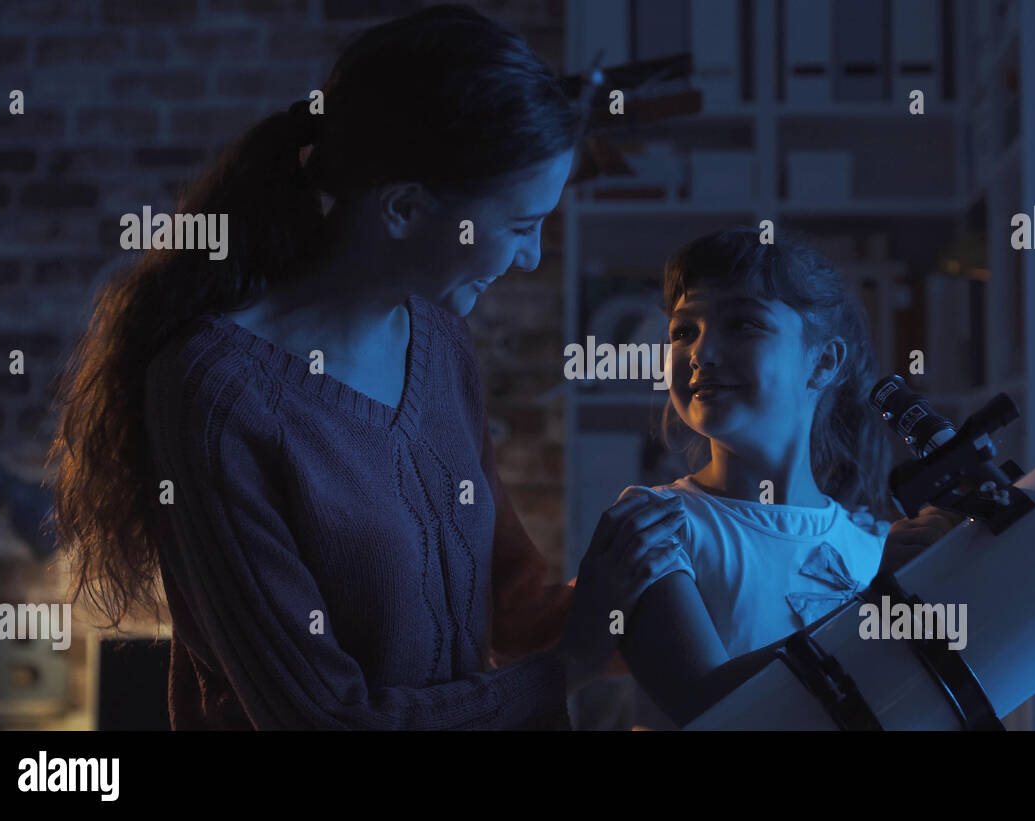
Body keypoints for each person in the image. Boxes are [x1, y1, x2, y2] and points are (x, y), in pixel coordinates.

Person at [47, 5, 686, 730]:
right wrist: (570, 662)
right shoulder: (216, 394)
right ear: (407, 208)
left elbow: (510, 600)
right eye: (519, 227)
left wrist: (662, 580)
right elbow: (324, 718)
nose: (532, 257)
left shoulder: (439, 339)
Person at [616, 227, 963, 726]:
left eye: (742, 325)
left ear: (823, 362)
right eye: (683, 330)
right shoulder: (656, 526)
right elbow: (710, 708)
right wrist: (878, 602)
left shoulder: (871, 545)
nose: (700, 353)